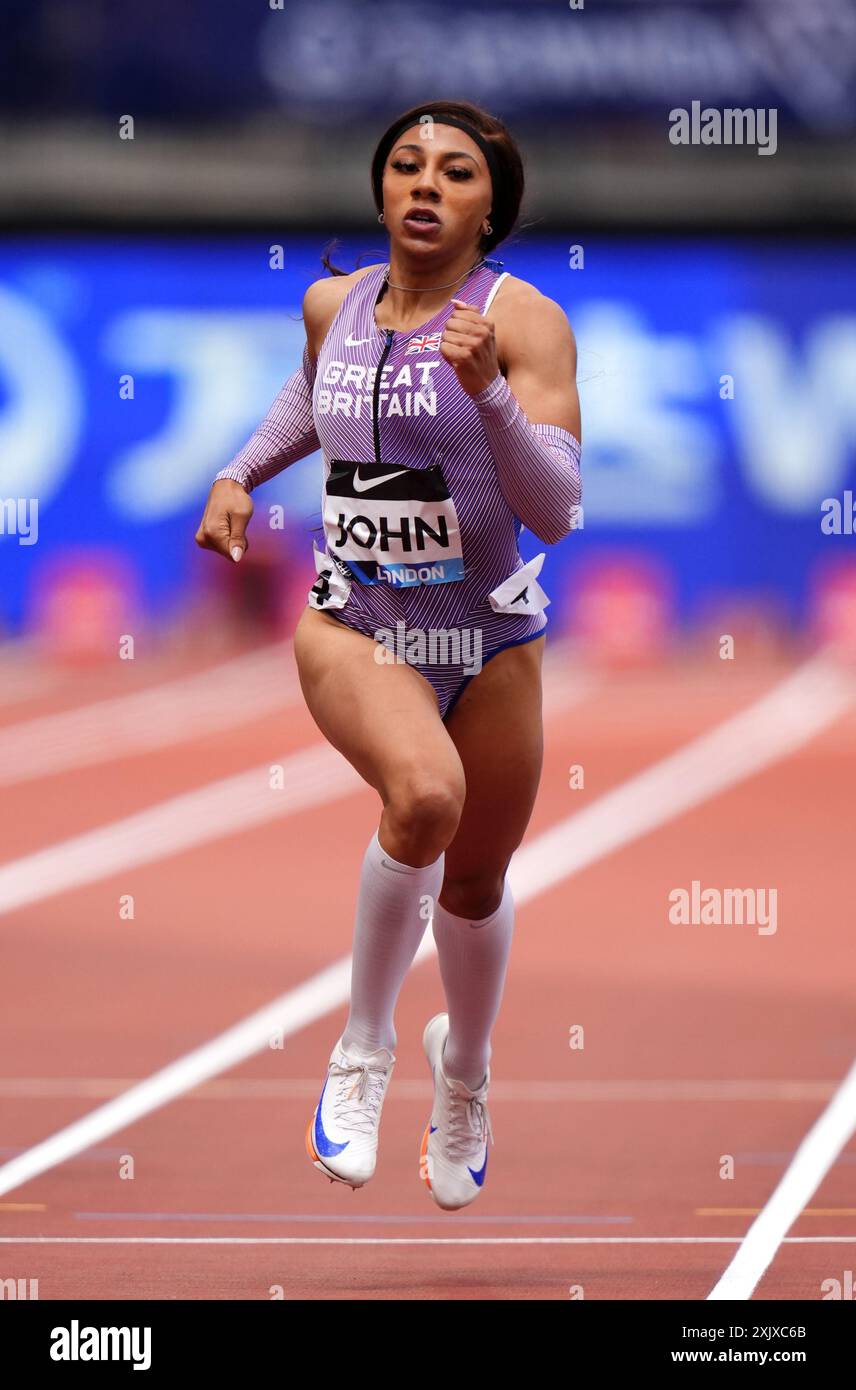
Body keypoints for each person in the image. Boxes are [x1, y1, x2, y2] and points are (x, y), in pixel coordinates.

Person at [195, 99, 582, 1211]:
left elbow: (555, 510)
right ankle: (362, 1050)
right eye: (406, 165)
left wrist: (490, 396)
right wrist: (239, 472)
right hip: (359, 623)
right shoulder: (333, 304)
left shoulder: (527, 323)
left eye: (455, 172)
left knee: (474, 881)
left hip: (491, 638)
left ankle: (461, 1071)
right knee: (423, 797)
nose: (425, 184)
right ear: (379, 190)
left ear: (489, 206)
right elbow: (308, 397)